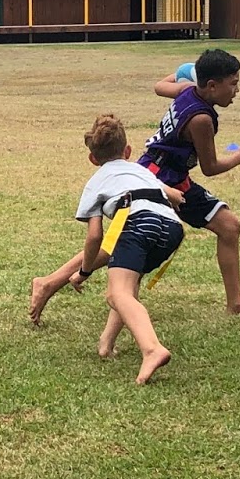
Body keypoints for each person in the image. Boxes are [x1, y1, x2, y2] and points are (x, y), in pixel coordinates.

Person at [30, 48, 240, 322]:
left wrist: (185, 71)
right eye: (233, 83)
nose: (237, 90)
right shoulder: (201, 120)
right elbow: (211, 167)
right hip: (160, 178)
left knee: (229, 226)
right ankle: (49, 282)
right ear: (211, 85)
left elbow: (160, 86)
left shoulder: (186, 90)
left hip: (164, 172)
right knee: (119, 243)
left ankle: (236, 302)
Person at [72, 114, 186, 384]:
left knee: (116, 293)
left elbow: (94, 236)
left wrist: (84, 271)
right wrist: (176, 196)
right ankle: (106, 344)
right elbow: (171, 193)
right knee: (127, 285)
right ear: (127, 151)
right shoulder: (139, 169)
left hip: (137, 223)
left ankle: (152, 349)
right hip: (172, 228)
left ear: (92, 159)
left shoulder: (96, 181)